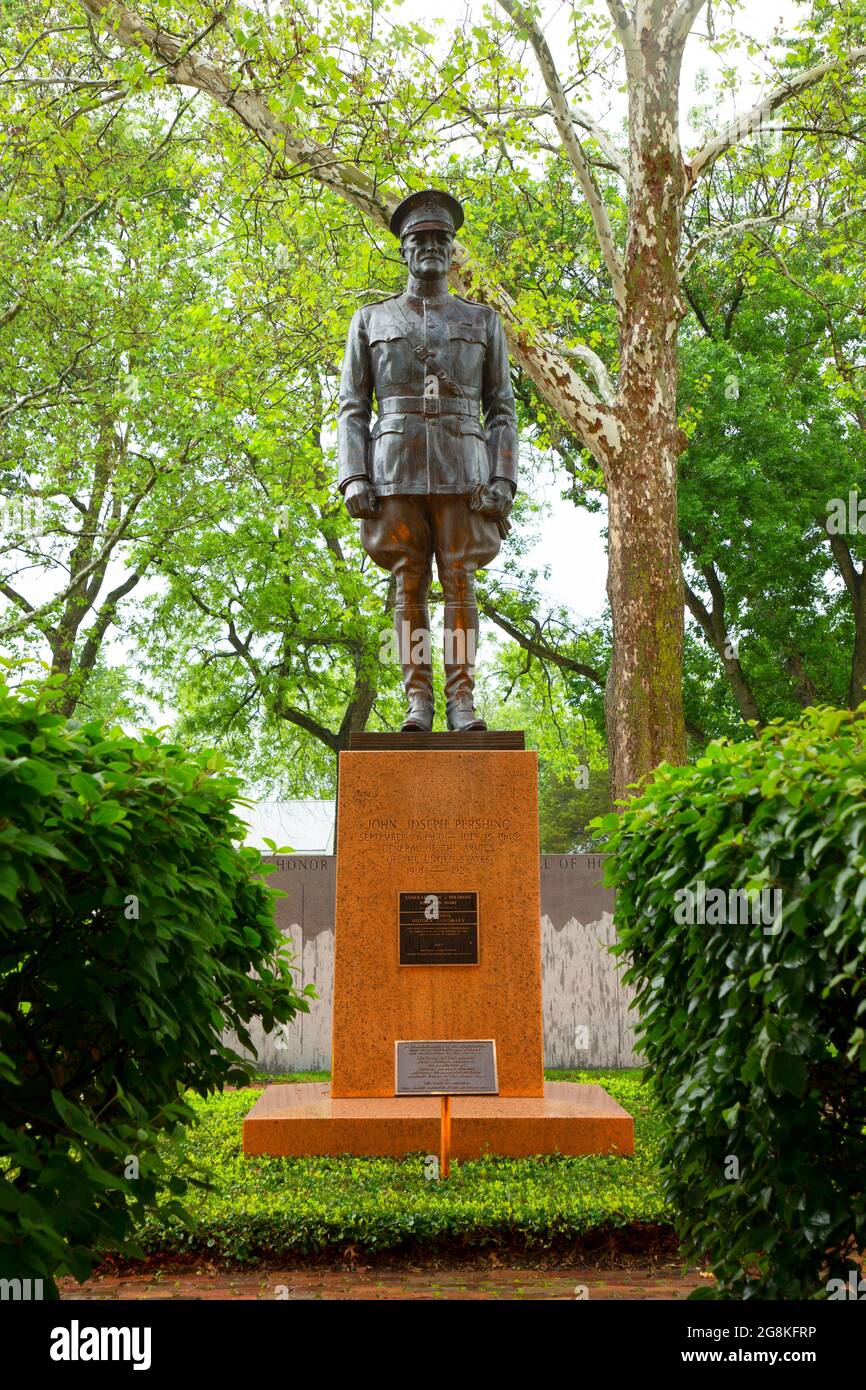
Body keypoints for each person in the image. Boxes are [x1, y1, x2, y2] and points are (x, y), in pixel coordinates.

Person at [337, 188, 518, 732]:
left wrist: (504, 477)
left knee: (461, 581)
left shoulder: (483, 321)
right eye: (420, 238)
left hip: (466, 470)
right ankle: (418, 700)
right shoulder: (370, 320)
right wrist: (353, 475)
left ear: (452, 248)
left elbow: (502, 409)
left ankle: (462, 699)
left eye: (441, 238)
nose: (431, 246)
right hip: (394, 468)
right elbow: (352, 407)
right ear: (404, 249)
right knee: (406, 584)